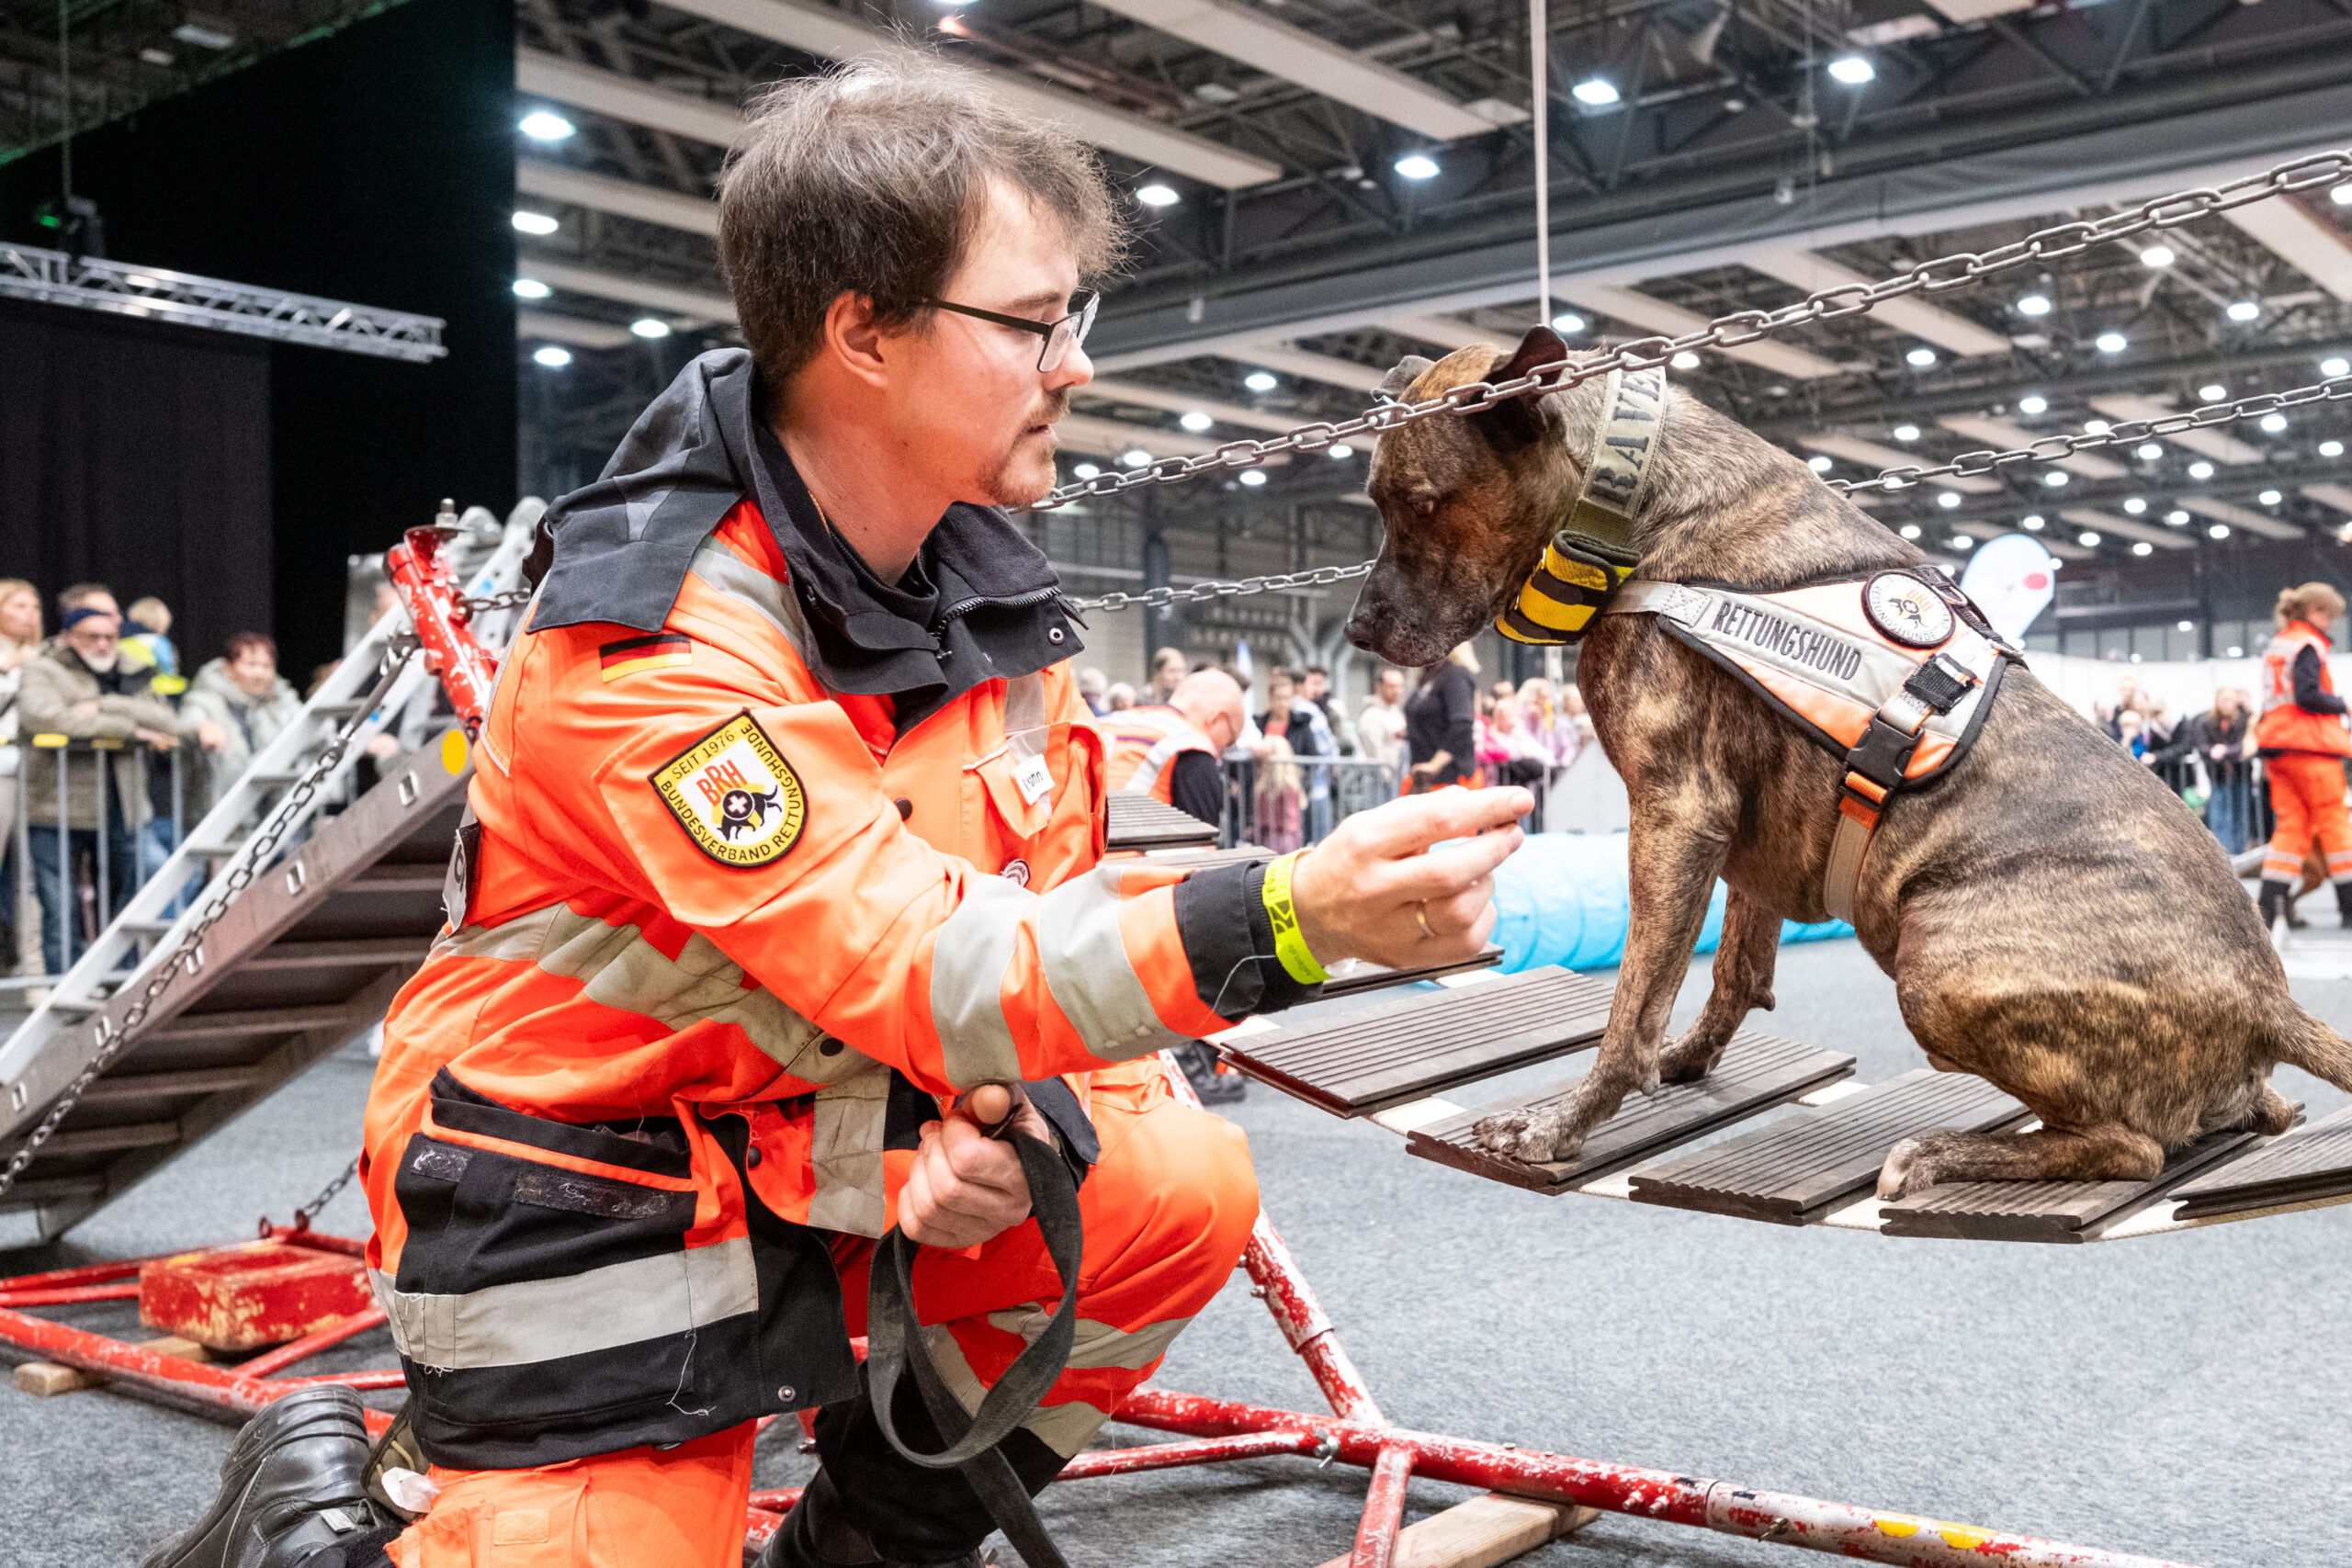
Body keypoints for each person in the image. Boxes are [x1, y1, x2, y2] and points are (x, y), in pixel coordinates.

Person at [142, 50, 1532, 1568]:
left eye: (1076, 316)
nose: (1072, 364)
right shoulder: (656, 641)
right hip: (588, 1203)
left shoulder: (992, 597)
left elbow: (1026, 908)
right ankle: (298, 1524)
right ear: (859, 330)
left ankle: (863, 1551)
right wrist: (1295, 916)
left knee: (1167, 1176)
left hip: (817, 1146)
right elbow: (920, 962)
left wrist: (978, 1127)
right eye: (1028, 322)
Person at [15, 606, 177, 975]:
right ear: (69, 637)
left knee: (142, 880)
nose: (103, 644)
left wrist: (104, 706)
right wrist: (129, 730)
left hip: (123, 802)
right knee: (59, 903)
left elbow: (167, 721)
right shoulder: (43, 668)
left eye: (109, 637)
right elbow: (44, 717)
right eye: (92, 636)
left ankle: (120, 973)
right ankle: (64, 985)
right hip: (56, 803)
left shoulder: (131, 666)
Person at [2255, 581, 2352, 935]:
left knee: (2292, 827)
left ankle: (2268, 905)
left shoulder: (2281, 644)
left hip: (2277, 748)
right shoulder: (2308, 645)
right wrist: (2343, 704)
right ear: (2316, 611)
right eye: (2329, 615)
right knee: (2335, 826)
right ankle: (2349, 907)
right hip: (2309, 747)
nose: (2330, 623)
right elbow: (2309, 695)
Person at [179, 633, 306, 823]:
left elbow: (311, 728)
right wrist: (202, 726)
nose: (259, 673)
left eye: (266, 666)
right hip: (221, 819)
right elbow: (187, 720)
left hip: (276, 818)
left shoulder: (282, 700)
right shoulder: (207, 698)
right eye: (251, 664)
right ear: (228, 668)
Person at [1095, 666, 1243, 828]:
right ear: (1215, 719)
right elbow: (1201, 844)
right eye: (1228, 743)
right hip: (1125, 849)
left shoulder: (1108, 722)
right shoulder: (1192, 746)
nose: (1220, 755)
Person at [2148, 687, 2254, 852]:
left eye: (2230, 699)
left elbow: (2248, 745)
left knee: (2240, 815)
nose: (2227, 703)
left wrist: (2226, 751)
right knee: (2219, 816)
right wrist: (2213, 751)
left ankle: (2239, 854)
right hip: (2217, 774)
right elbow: (2201, 744)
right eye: (2223, 699)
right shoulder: (2206, 721)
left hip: (2241, 774)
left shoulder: (2245, 720)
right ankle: (2223, 854)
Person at [1254, 667, 1334, 841]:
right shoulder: (1259, 725)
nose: (1283, 703)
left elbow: (1313, 759)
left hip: (1293, 795)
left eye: (1287, 698)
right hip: (1265, 796)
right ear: (1270, 698)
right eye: (1279, 698)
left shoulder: (1302, 724)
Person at [1406, 643, 1480, 791]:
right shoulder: (1429, 676)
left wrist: (1435, 764)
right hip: (1424, 778)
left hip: (1450, 778)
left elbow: (1462, 723)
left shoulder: (1456, 674)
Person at [1356, 665, 1408, 796]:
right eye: (1392, 686)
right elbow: (1374, 751)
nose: (1397, 691)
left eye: (1400, 686)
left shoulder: (1396, 711)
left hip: (1399, 778)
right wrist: (1387, 778)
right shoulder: (1371, 715)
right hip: (1381, 781)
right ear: (1379, 687)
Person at [120, 596, 180, 678]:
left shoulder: (122, 642)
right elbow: (168, 670)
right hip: (153, 687)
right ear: (162, 623)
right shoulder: (160, 643)